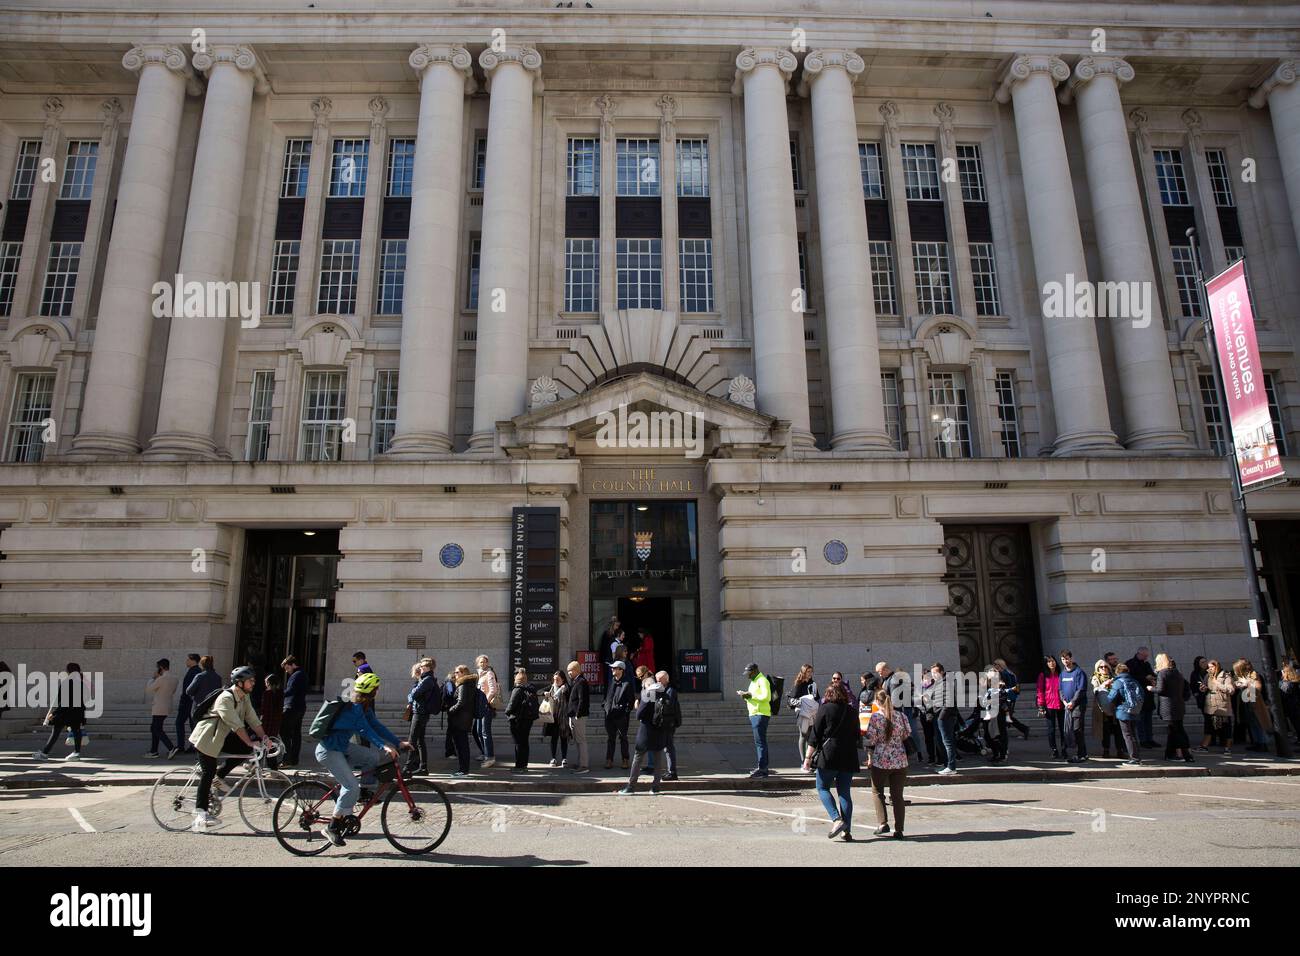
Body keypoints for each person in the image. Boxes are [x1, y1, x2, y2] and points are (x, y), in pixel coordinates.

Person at [315, 671, 410, 847]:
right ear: (371, 690)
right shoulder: (354, 709)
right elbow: (365, 730)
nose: (378, 691)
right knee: (350, 786)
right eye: (376, 688)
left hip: (342, 748)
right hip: (329, 751)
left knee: (371, 757)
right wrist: (385, 746)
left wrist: (398, 742)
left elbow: (376, 726)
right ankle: (333, 826)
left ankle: (364, 791)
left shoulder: (363, 707)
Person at [188, 666, 269, 832]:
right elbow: (236, 724)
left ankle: (220, 775)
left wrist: (265, 738)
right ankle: (200, 815)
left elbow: (252, 718)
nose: (253, 683)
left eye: (253, 680)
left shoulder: (244, 697)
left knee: (245, 751)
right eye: (250, 681)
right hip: (207, 738)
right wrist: (249, 741)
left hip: (222, 737)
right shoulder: (225, 698)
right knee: (207, 773)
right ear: (239, 683)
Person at [802, 679, 858, 840]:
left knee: (822, 787)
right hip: (848, 754)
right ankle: (847, 830)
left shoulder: (825, 709)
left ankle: (836, 819)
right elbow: (856, 735)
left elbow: (815, 735)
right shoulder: (852, 711)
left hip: (829, 754)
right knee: (845, 792)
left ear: (828, 694)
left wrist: (807, 757)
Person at [864, 686, 911, 838]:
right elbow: (907, 734)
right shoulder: (901, 716)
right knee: (897, 795)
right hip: (900, 759)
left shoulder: (876, 717)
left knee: (877, 791)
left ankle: (883, 823)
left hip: (881, 759)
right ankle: (899, 829)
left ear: (878, 701)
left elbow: (871, 738)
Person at [620, 675, 670, 794]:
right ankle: (655, 787)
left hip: (646, 731)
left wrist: (638, 706)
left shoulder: (648, 694)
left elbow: (639, 715)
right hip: (660, 730)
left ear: (646, 685)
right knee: (658, 760)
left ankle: (631, 786)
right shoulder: (664, 694)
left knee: (637, 759)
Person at [32, 663, 90, 762]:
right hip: (77, 711)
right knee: (76, 731)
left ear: (68, 671)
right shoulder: (81, 683)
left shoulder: (67, 682)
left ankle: (45, 753)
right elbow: (85, 697)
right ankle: (76, 753)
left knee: (56, 732)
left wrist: (54, 713)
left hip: (65, 712)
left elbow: (62, 700)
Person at [877, 662, 928, 765]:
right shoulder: (887, 680)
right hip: (902, 709)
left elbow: (894, 699)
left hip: (904, 710)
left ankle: (915, 753)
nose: (879, 674)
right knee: (908, 732)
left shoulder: (893, 680)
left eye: (880, 671)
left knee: (910, 732)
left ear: (886, 669)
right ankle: (915, 753)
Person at [1153, 653, 1193, 762]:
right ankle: (1183, 753)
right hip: (1179, 705)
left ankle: (1179, 755)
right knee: (1177, 729)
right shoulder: (1177, 672)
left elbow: (1160, 689)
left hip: (1168, 706)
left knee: (1174, 731)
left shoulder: (1162, 673)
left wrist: (1151, 688)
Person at [1105, 663, 1145, 765]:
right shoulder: (1134, 681)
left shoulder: (1118, 682)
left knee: (1127, 735)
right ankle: (1138, 756)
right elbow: (1142, 694)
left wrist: (1107, 689)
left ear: (1117, 672)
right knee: (1134, 734)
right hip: (1135, 710)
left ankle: (1134, 758)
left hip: (1123, 711)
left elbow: (1111, 698)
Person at [406, 657, 440, 776]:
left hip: (420, 713)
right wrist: (411, 695)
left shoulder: (427, 680)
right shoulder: (426, 679)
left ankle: (407, 768)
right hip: (421, 712)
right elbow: (412, 695)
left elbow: (413, 694)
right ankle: (423, 768)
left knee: (412, 740)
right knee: (420, 741)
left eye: (422, 666)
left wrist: (411, 695)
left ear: (428, 668)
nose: (420, 668)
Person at [738, 662, 773, 778]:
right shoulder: (754, 681)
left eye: (749, 673)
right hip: (755, 714)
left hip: (760, 714)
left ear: (755, 671)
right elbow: (753, 697)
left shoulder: (762, 680)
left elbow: (766, 697)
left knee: (760, 743)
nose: (747, 676)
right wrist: (746, 696)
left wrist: (750, 696)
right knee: (760, 742)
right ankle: (763, 767)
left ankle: (762, 769)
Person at [923, 662, 959, 775]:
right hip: (938, 716)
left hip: (945, 717)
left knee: (947, 741)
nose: (933, 675)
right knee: (940, 741)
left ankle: (951, 766)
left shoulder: (946, 683)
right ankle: (946, 764)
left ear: (942, 672)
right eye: (932, 672)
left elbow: (948, 702)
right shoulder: (937, 684)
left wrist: (941, 717)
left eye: (936, 672)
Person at [1232, 659, 1272, 752]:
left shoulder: (1253, 674)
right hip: (1246, 701)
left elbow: (1258, 688)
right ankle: (1257, 742)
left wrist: (1246, 684)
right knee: (1252, 723)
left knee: (1258, 723)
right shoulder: (1242, 676)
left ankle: (1262, 743)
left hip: (1254, 702)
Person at [446, 665, 477, 776]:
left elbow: (461, 702)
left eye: (457, 672)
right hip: (464, 718)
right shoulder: (469, 684)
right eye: (455, 672)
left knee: (461, 745)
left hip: (460, 719)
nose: (455, 674)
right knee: (462, 745)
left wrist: (450, 710)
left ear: (464, 673)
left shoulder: (463, 685)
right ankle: (463, 769)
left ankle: (463, 770)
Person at [145, 658, 179, 759]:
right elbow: (172, 692)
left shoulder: (161, 679)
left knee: (156, 728)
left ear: (161, 667)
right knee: (155, 728)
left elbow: (148, 689)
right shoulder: (174, 679)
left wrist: (153, 678)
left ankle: (171, 747)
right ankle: (154, 750)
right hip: (167, 706)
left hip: (159, 707)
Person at [1198, 660, 1235, 754]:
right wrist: (1203, 688)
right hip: (1210, 704)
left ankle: (1228, 747)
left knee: (1226, 727)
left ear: (1217, 666)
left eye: (1212, 667)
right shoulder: (1208, 676)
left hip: (1222, 705)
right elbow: (1205, 686)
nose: (1209, 669)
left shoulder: (1225, 675)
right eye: (1209, 667)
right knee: (1209, 726)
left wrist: (1217, 683)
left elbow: (1231, 690)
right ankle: (1204, 746)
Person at [603, 660, 634, 769]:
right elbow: (607, 696)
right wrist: (605, 706)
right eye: (612, 668)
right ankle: (609, 759)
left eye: (615, 668)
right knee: (610, 738)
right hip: (609, 715)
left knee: (623, 738)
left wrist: (624, 712)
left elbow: (631, 701)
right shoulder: (611, 681)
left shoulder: (627, 683)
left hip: (621, 716)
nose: (612, 669)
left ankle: (625, 760)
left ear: (621, 670)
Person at [1058, 650, 1088, 763]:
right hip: (1067, 706)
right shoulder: (1062, 673)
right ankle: (1082, 754)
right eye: (1063, 659)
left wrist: (1073, 702)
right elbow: (1060, 689)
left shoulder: (1079, 672)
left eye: (1067, 659)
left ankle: (1081, 754)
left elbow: (1081, 690)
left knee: (1078, 729)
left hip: (1078, 706)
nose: (1065, 661)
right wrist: (1064, 701)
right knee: (1070, 730)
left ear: (1071, 658)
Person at [505, 668, 538, 772]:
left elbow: (511, 705)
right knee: (524, 742)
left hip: (517, 719)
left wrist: (507, 713)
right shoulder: (530, 689)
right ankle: (524, 764)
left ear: (517, 680)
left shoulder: (517, 689)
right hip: (528, 719)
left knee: (518, 743)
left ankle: (519, 765)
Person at [1126, 647, 1158, 748]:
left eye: (1147, 656)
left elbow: (1152, 674)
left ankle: (1150, 739)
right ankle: (1143, 740)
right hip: (1138, 695)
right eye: (1144, 656)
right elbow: (1130, 678)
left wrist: (1153, 678)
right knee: (1140, 719)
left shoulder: (1146, 664)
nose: (1146, 657)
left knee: (1148, 719)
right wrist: (1145, 678)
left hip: (1148, 695)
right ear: (1139, 654)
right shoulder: (1130, 663)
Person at [1090, 658, 1121, 759]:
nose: (1103, 668)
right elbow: (1095, 690)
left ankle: (1120, 750)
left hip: (1115, 708)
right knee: (1105, 731)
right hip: (1102, 709)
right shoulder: (1096, 678)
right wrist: (1104, 685)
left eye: (1105, 666)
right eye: (1101, 667)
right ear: (1097, 669)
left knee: (1118, 731)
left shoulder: (1114, 677)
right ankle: (1106, 750)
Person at [789, 663, 819, 765]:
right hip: (802, 712)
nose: (810, 674)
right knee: (803, 735)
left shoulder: (813, 684)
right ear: (803, 672)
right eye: (808, 672)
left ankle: (809, 759)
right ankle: (803, 760)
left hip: (812, 712)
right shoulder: (799, 684)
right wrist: (802, 701)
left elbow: (817, 697)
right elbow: (793, 698)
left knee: (811, 736)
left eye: (811, 671)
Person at [1036, 655, 1065, 758]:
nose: (1051, 663)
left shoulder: (1061, 674)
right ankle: (1054, 749)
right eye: (1049, 662)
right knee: (1051, 729)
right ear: (1046, 664)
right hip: (1049, 705)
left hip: (1061, 704)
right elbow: (1040, 691)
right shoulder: (1043, 675)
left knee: (1063, 728)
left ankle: (1064, 749)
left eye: (1053, 661)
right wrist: (1041, 705)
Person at [994, 658, 1030, 740]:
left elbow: (1004, 686)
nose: (994, 666)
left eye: (995, 664)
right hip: (1010, 697)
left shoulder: (1003, 674)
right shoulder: (1009, 672)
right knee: (1007, 716)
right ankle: (1023, 729)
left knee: (1005, 716)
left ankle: (1023, 729)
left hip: (1006, 698)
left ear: (1000, 665)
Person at [565, 660, 591, 772]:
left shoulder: (581, 682)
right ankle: (580, 762)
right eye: (568, 671)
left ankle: (584, 765)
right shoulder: (575, 681)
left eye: (571, 671)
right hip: (574, 715)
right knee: (577, 740)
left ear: (576, 670)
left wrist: (578, 714)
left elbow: (582, 700)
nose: (569, 673)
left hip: (578, 716)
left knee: (581, 740)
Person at [281, 655, 307, 767]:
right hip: (300, 706)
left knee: (284, 732)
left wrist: (278, 695)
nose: (287, 671)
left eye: (287, 668)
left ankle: (287, 759)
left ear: (293, 665)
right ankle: (293, 760)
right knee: (296, 734)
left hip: (292, 707)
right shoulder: (302, 674)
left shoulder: (296, 675)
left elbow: (290, 691)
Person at [475, 655, 500, 768]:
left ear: (487, 663)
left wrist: (486, 702)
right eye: (481, 662)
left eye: (485, 662)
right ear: (478, 664)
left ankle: (490, 757)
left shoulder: (489, 673)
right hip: (480, 707)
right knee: (479, 731)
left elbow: (493, 690)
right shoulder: (479, 675)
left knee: (485, 732)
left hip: (486, 707)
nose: (483, 664)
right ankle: (485, 753)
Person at [174, 654, 201, 754]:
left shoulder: (194, 672)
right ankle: (193, 745)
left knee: (180, 723)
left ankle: (182, 746)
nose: (186, 661)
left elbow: (189, 689)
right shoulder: (196, 671)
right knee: (192, 724)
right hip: (191, 702)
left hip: (188, 702)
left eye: (188, 659)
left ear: (193, 660)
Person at [543, 670, 571, 767]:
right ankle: (553, 758)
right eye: (554, 679)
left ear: (563, 679)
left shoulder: (566, 688)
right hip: (553, 717)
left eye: (558, 679)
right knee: (554, 739)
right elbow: (539, 691)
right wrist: (545, 693)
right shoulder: (551, 688)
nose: (556, 681)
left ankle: (564, 758)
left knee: (564, 738)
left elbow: (570, 699)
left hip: (563, 718)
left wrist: (565, 692)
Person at [656, 670, 680, 780]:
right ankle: (671, 771)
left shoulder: (670, 691)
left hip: (668, 723)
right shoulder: (664, 689)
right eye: (657, 680)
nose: (658, 682)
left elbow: (667, 706)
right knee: (667, 747)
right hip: (665, 722)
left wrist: (659, 698)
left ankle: (672, 772)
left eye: (660, 680)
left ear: (666, 679)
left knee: (669, 748)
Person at [980, 664, 1007, 762]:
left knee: (998, 734)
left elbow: (1002, 699)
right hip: (987, 712)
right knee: (988, 734)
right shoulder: (986, 685)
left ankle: (1002, 754)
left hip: (997, 713)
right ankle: (996, 753)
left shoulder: (1001, 686)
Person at [1189, 655, 1211, 748]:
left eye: (1205, 662)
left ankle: (1212, 738)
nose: (1204, 664)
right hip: (1202, 699)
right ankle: (1209, 739)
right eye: (1202, 662)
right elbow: (1193, 686)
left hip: (1212, 698)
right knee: (1207, 719)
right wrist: (1196, 694)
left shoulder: (1210, 672)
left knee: (1213, 720)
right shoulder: (1194, 674)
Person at [1280, 661, 1300, 741]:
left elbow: (1284, 693)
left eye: (1283, 672)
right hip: (1295, 705)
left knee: (1297, 724)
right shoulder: (1295, 682)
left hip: (1293, 706)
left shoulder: (1289, 683)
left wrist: (1283, 681)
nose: (1282, 673)